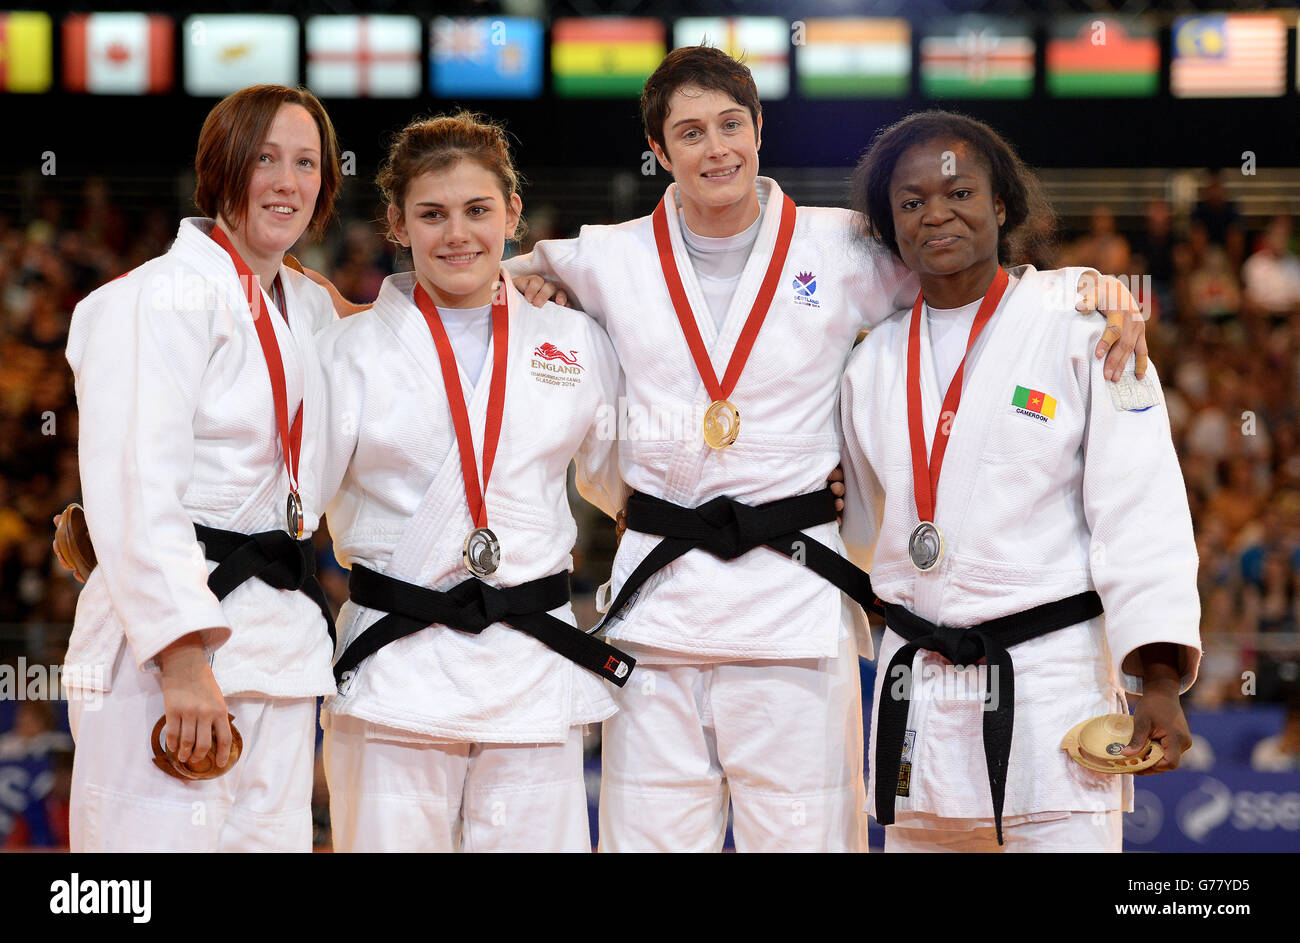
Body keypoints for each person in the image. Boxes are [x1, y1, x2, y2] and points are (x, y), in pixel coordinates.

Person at [499, 47, 1150, 852]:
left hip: (794, 607)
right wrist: (529, 292)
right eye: (691, 133)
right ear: (660, 153)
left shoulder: (843, 246)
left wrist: (1080, 287)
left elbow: (969, 275)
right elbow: (469, 274)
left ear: (760, 127)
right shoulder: (603, 255)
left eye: (731, 124)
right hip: (659, 605)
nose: (717, 149)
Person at [839, 110, 1200, 853]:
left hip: (1050, 701)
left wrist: (1158, 677)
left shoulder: (1082, 329)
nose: (936, 212)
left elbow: (1141, 508)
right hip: (920, 710)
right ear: (889, 226)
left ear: (1000, 204)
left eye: (958, 192)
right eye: (910, 203)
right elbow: (860, 527)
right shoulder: (868, 365)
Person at [315, 113, 632, 852]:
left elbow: (630, 485)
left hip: (530, 664)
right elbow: (287, 502)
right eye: (432, 214)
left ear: (513, 213)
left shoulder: (572, 340)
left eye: (477, 210)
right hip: (396, 668)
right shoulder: (347, 351)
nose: (457, 233)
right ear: (397, 223)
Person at [58, 85, 342, 852]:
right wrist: (182, 661)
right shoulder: (153, 298)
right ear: (220, 169)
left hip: (279, 649)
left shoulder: (303, 305)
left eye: (306, 162)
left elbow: (411, 331)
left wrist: (530, 283)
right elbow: (134, 488)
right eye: (264, 159)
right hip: (171, 656)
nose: (287, 181)